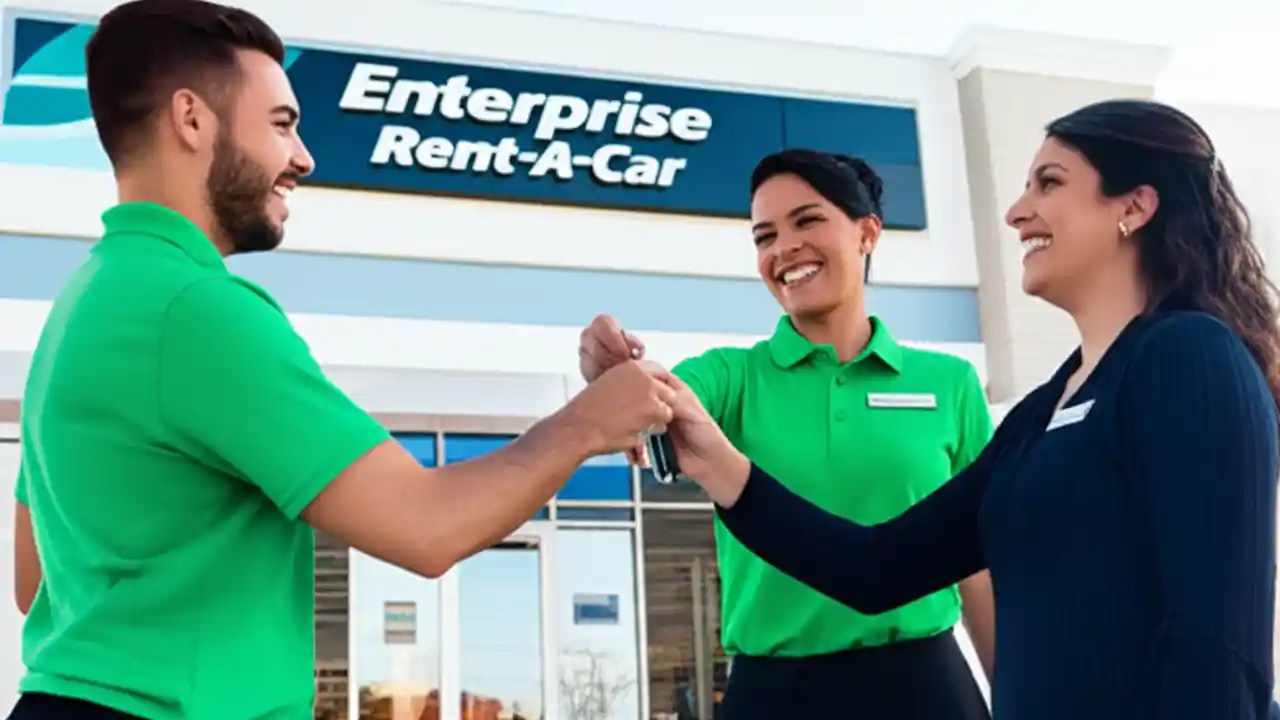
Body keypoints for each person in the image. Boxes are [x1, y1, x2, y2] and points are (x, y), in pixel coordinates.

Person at [7, 2, 676, 719]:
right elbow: (427, 527)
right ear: (191, 119)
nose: (304, 158)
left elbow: (32, 578)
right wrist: (586, 424)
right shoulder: (197, 310)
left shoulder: (88, 305)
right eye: (282, 124)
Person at [658, 99, 1280, 720]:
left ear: (1134, 207)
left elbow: (1221, 656)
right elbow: (875, 569)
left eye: (1050, 183)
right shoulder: (1043, 409)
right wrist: (718, 466)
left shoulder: (1190, 356)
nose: (1015, 212)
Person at [580, 149, 995, 719]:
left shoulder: (950, 384)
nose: (783, 249)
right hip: (774, 694)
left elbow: (977, 559)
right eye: (764, 236)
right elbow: (654, 400)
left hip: (922, 684)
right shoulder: (733, 376)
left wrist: (1020, 692)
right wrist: (611, 374)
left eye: (807, 221)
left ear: (867, 232)